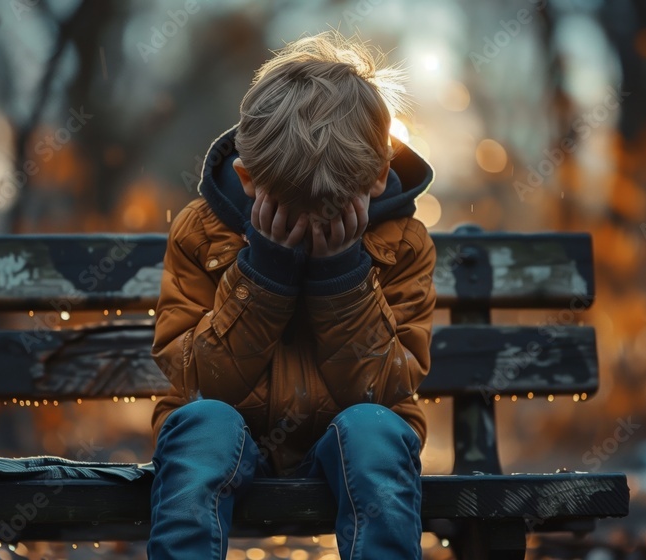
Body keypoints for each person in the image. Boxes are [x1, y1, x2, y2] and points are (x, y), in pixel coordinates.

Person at [147, 30, 436, 560]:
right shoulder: (200, 232)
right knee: (200, 424)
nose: (306, 231)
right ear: (248, 179)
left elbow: (386, 387)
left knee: (376, 431)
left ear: (377, 178)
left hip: (345, 444)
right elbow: (196, 379)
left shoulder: (403, 243)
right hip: (234, 440)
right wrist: (265, 274)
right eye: (290, 212)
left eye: (326, 216)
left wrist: (343, 277)